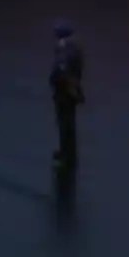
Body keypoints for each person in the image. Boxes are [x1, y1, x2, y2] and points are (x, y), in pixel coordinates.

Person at [49, 22, 84, 170]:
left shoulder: (65, 50)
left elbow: (63, 72)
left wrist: (57, 82)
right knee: (68, 125)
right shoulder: (74, 48)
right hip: (68, 92)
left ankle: (66, 156)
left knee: (65, 126)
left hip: (64, 94)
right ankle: (68, 154)